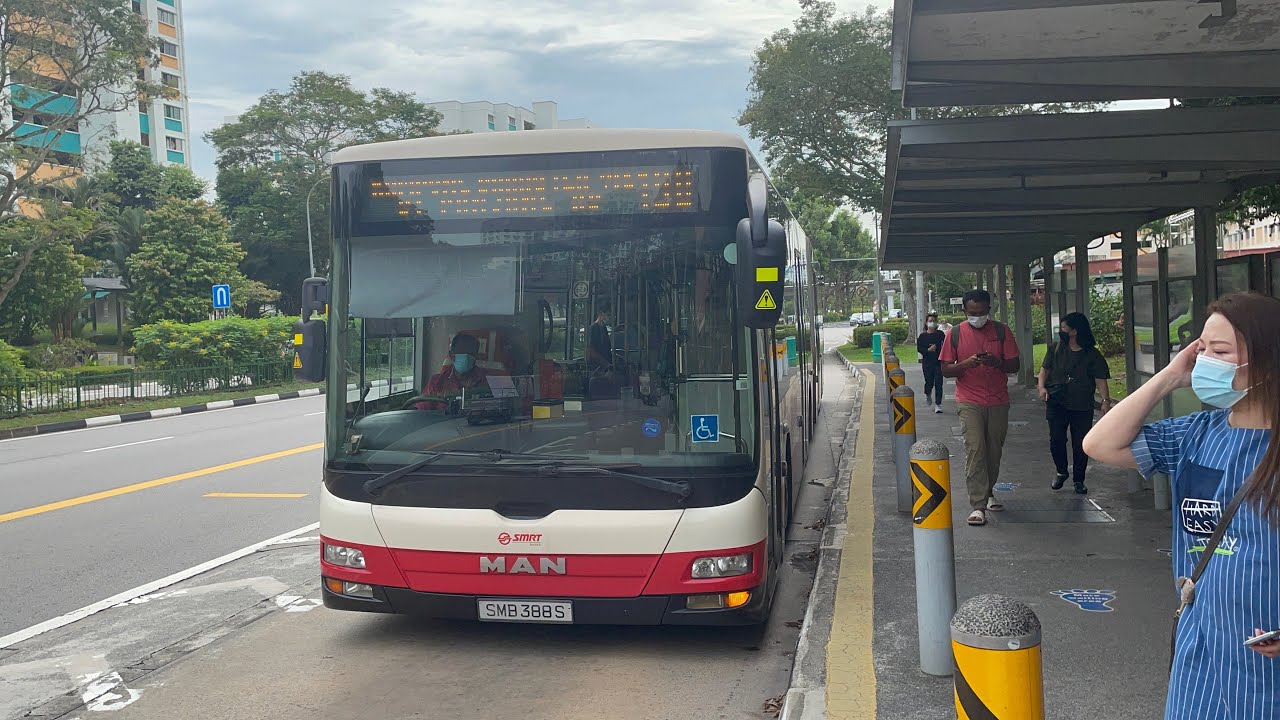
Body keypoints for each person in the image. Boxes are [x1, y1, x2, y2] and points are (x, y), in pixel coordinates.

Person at [1083, 292, 1280, 719]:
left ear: (1265, 360)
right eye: (1200, 348)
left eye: (1221, 351)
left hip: (1266, 658)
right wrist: (1169, 378)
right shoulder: (1196, 433)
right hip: (1202, 642)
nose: (1206, 360)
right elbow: (1099, 443)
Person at [940, 289, 1021, 527]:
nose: (977, 316)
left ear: (989, 309)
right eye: (972, 313)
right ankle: (978, 505)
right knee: (976, 449)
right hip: (969, 400)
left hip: (997, 399)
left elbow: (1015, 364)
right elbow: (945, 369)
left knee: (993, 450)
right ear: (965, 310)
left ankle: (989, 490)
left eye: (982, 312)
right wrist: (965, 364)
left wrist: (996, 362)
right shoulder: (954, 334)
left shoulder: (1001, 331)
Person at [1037, 312, 1112, 494]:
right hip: (1056, 402)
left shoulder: (1091, 354)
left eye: (1064, 328)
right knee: (1056, 439)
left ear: (1074, 331)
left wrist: (1105, 401)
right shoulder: (1055, 349)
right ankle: (1061, 471)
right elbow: (1044, 371)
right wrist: (1041, 388)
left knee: (1081, 443)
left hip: (1082, 404)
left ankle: (1079, 479)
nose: (1061, 331)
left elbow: (1100, 379)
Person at [415, 333, 490, 411]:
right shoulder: (437, 382)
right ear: (451, 355)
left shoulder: (487, 381)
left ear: (476, 356)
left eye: (471, 353)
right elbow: (421, 412)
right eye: (462, 352)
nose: (467, 357)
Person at [917, 312, 946, 413]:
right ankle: (928, 393)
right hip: (927, 363)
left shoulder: (940, 334)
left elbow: (946, 345)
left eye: (934, 321)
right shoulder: (922, 336)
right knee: (929, 382)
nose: (932, 323)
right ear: (926, 323)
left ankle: (938, 404)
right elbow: (919, 349)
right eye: (930, 321)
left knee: (939, 383)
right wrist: (928, 350)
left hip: (938, 362)